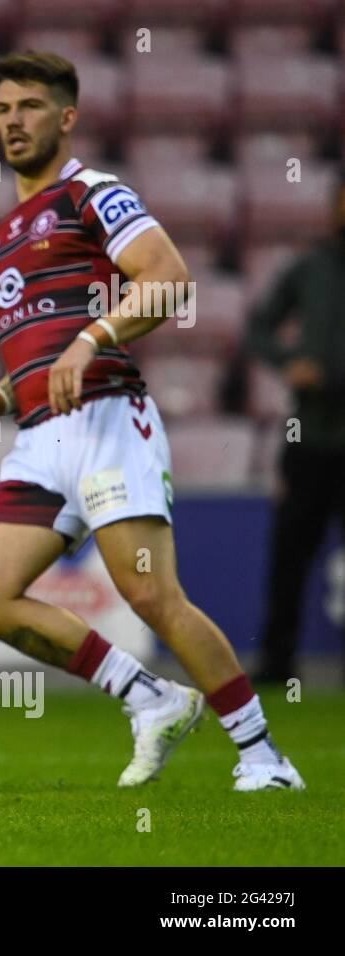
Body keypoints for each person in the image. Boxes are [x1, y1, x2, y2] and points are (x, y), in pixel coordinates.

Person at [0, 52, 304, 791]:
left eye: (32, 107)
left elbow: (170, 278)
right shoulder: (0, 237)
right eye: (5, 108)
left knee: (150, 595)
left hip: (109, 419)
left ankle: (265, 758)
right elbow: (41, 353)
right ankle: (151, 698)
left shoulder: (92, 192)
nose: (14, 121)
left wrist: (94, 339)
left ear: (66, 118)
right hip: (42, 438)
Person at [246, 173, 345, 684]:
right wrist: (290, 360)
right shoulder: (310, 269)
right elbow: (258, 325)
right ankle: (278, 660)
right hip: (308, 435)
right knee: (290, 554)